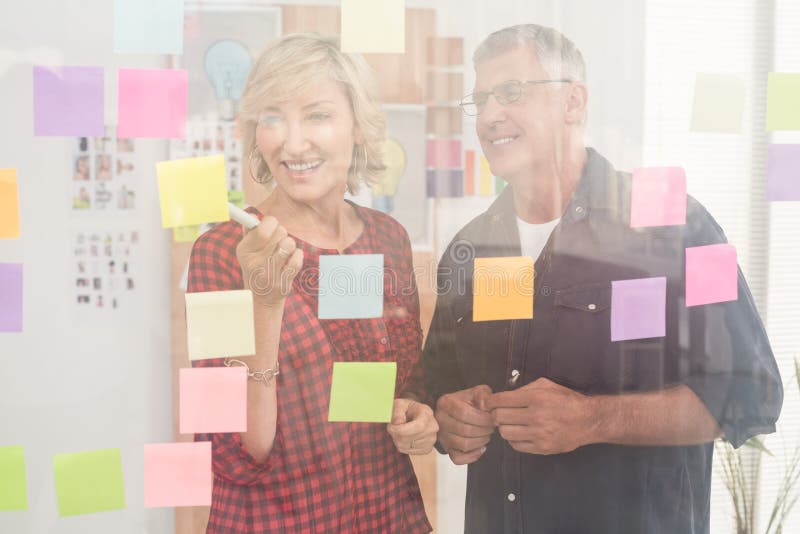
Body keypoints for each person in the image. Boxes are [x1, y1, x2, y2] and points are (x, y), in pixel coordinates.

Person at [420, 24, 783, 534]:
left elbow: (752, 391)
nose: (489, 116)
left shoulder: (680, 223)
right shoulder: (469, 250)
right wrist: (448, 419)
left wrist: (592, 419)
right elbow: (435, 392)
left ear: (573, 101)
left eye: (511, 93)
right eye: (480, 100)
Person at [187, 33, 437, 533]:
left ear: (358, 127)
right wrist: (265, 301)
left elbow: (400, 383)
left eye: (317, 115)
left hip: (391, 518)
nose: (293, 142)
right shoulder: (220, 253)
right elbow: (232, 454)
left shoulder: (388, 239)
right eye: (273, 117)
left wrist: (416, 415)